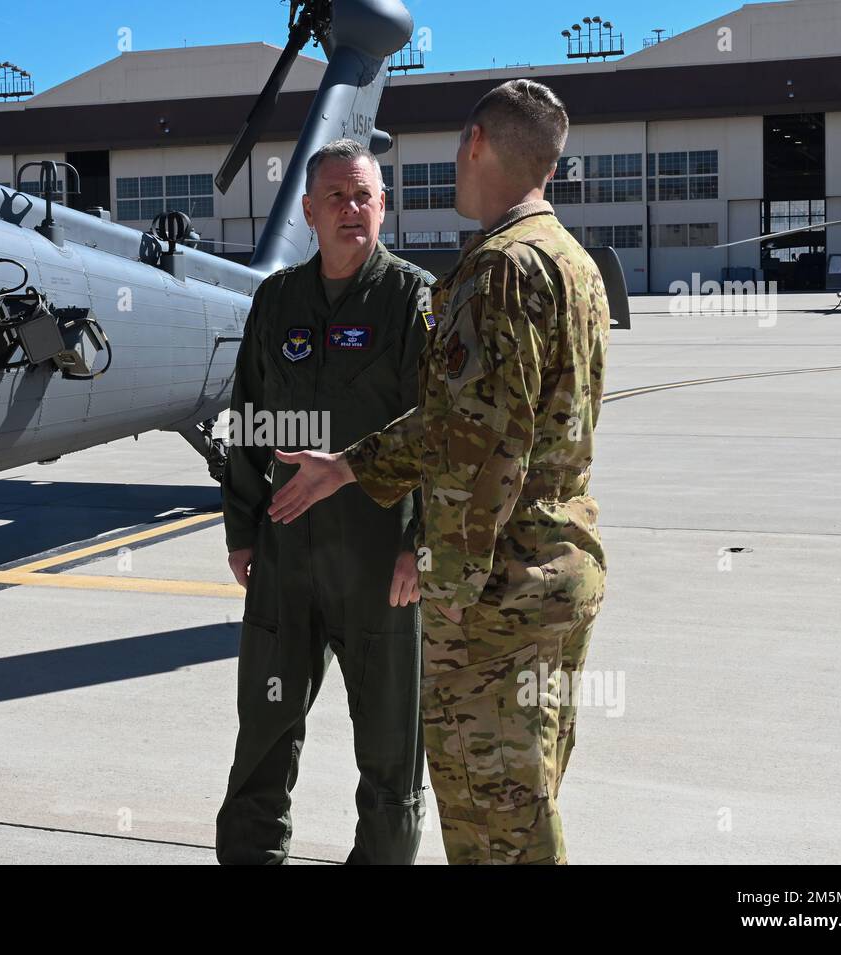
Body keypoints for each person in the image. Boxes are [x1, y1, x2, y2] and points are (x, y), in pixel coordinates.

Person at [267, 81, 610, 865]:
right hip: (557, 572)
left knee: (497, 830)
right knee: (527, 801)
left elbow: (484, 452)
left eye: (459, 147)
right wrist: (351, 465)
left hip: (497, 601)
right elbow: (475, 419)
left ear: (480, 142)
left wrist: (445, 591)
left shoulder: (499, 271)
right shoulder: (571, 262)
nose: (454, 164)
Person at [216, 138, 435, 865]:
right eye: (337, 197)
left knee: (389, 753)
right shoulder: (277, 300)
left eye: (365, 195)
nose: (352, 209)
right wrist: (241, 530)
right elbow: (248, 418)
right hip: (286, 557)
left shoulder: (411, 300)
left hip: (381, 565)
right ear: (308, 210)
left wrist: (420, 543)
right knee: (263, 737)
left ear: (385, 206)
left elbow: (440, 431)